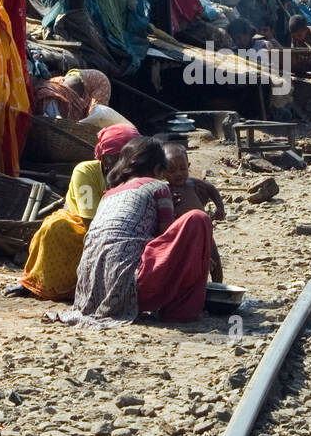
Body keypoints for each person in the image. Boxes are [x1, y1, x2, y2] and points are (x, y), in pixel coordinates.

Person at [58, 137, 214, 326]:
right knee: (198, 219)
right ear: (158, 169)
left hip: (90, 291)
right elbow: (166, 237)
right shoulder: (158, 188)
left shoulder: (110, 194)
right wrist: (197, 251)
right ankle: (182, 312)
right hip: (131, 286)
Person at [17, 123, 139, 300]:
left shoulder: (140, 174)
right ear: (105, 159)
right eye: (120, 158)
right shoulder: (86, 171)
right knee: (56, 227)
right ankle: (46, 285)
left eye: (130, 158)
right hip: (84, 229)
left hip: (124, 231)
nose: (127, 164)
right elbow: (90, 222)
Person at [163, 141, 225, 282]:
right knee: (193, 262)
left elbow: (211, 189)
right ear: (162, 171)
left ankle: (219, 289)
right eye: (171, 170)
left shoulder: (192, 183)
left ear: (189, 166)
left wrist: (220, 207)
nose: (178, 174)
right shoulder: (165, 191)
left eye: (183, 168)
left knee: (215, 261)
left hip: (205, 232)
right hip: (185, 236)